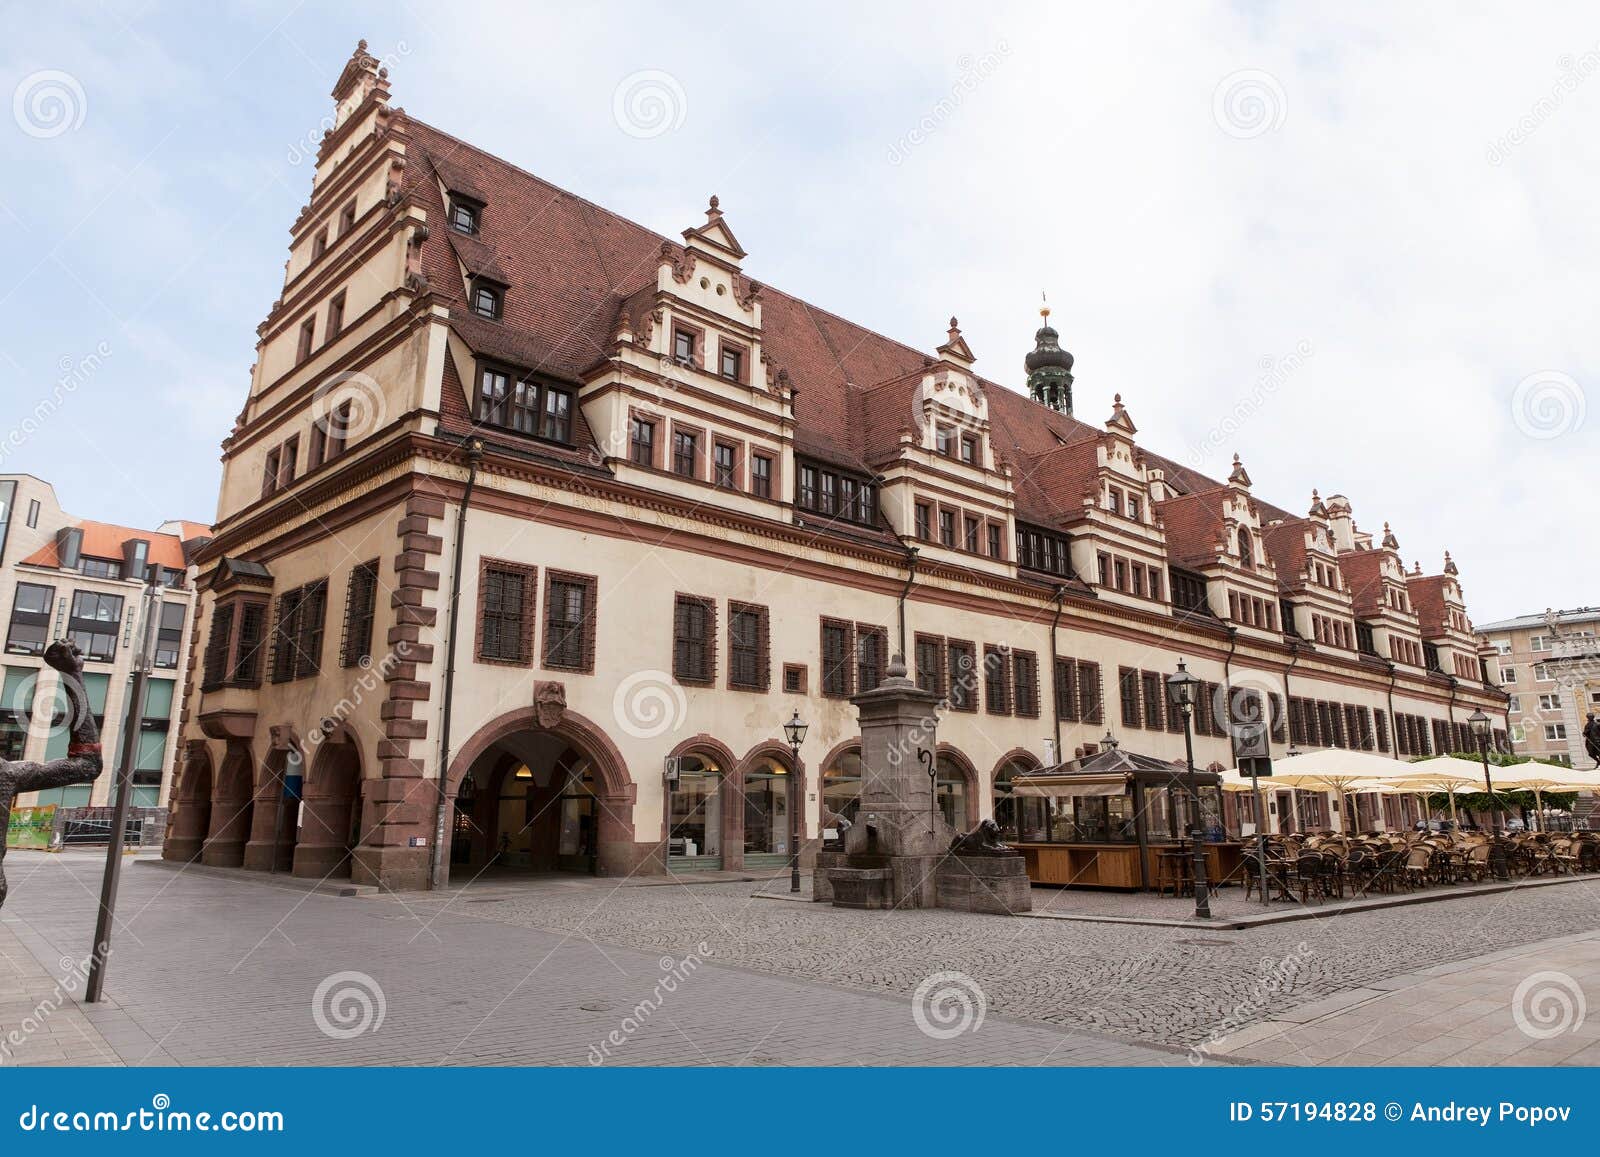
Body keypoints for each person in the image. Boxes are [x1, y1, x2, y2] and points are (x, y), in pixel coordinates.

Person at [0, 642, 103, 910]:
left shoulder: (5, 774)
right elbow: (87, 764)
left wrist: (73, 676)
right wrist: (72, 677)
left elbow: (87, 764)